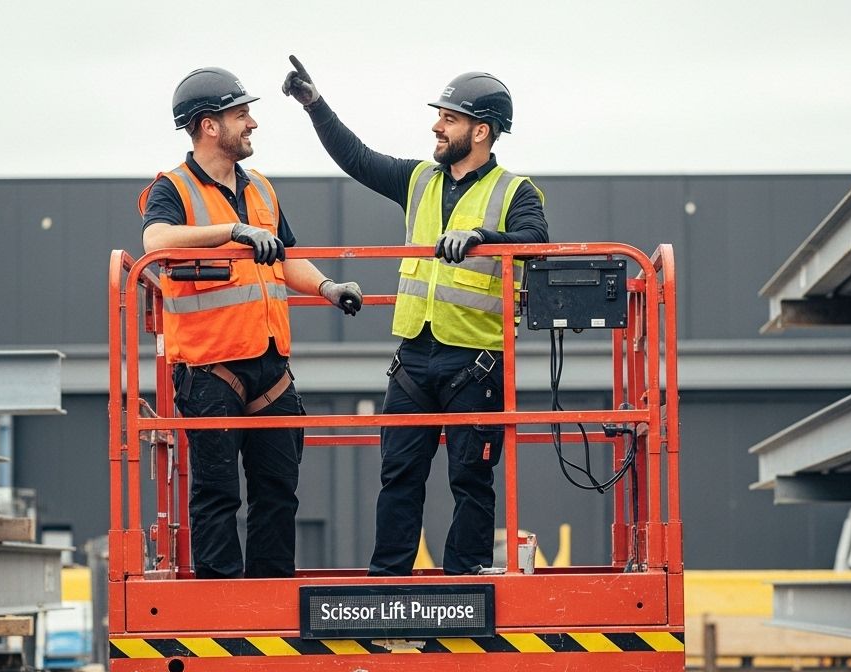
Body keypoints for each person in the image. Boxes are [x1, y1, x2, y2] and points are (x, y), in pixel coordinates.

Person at [283, 57, 548, 576]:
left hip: (476, 360)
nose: (436, 125)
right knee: (398, 473)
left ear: (481, 131)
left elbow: (536, 243)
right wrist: (316, 106)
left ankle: (463, 582)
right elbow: (357, 158)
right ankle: (389, 583)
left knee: (471, 478)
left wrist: (482, 238)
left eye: (448, 118)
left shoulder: (515, 192)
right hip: (413, 357)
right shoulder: (420, 180)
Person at [141, 66, 364, 579]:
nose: (253, 124)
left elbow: (284, 256)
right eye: (242, 115)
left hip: (270, 368)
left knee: (278, 491)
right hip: (208, 371)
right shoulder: (172, 189)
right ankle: (222, 604)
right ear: (209, 126)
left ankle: (271, 597)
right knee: (217, 494)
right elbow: (155, 242)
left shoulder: (261, 188)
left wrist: (328, 287)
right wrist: (232, 231)